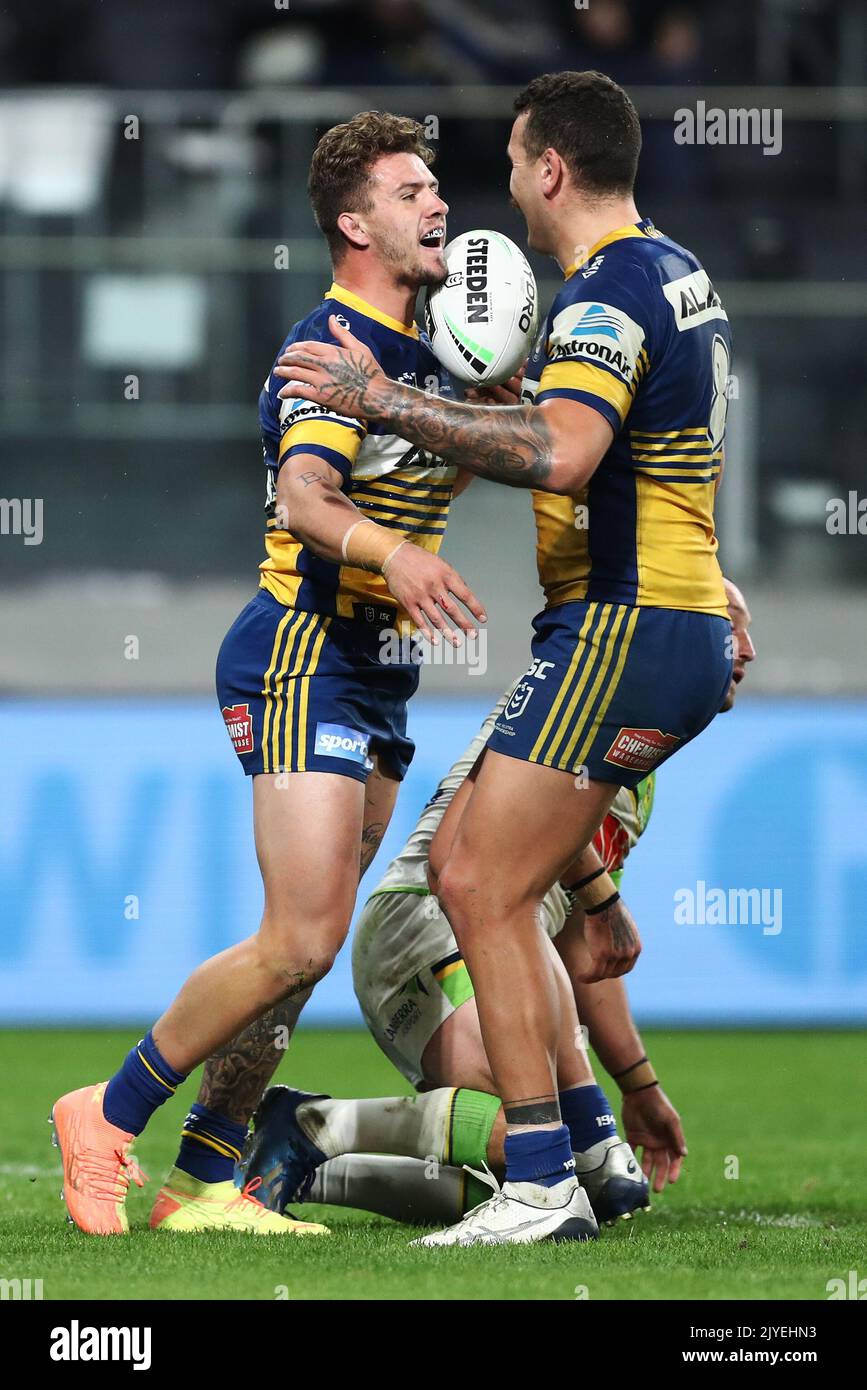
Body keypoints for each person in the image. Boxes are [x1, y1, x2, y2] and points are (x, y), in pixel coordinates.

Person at [273, 69, 736, 1245]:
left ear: (550, 170)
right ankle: (573, 1150)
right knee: (496, 873)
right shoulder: (674, 274)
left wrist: (383, 399)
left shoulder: (607, 293)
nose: (503, 194)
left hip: (619, 626)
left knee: (475, 879)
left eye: (515, 164)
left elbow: (568, 454)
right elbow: (652, 454)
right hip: (665, 616)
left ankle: (537, 1179)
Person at [51, 110, 485, 1237]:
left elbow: (429, 469)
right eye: (408, 191)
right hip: (304, 651)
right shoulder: (329, 351)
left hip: (376, 673)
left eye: (436, 184)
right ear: (353, 222)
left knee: (309, 945)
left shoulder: (425, 350)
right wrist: (396, 555)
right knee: (295, 935)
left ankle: (210, 1178)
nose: (436, 202)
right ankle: (106, 1109)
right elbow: (307, 499)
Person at [238, 576, 755, 1233]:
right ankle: (313, 1125)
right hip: (427, 924)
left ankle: (308, 1169)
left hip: (492, 938)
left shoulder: (636, 749)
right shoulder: (581, 699)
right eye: (729, 624)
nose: (746, 648)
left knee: (601, 1188)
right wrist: (601, 897)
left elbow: (578, 952)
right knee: (542, 1143)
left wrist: (638, 1087)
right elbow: (461, 855)